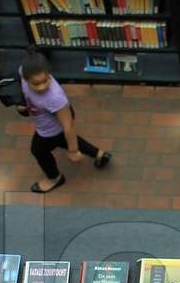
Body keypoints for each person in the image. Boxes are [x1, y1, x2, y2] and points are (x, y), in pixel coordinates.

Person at [16, 49, 110, 193]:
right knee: (63, 139)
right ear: (26, 78)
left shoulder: (55, 97)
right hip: (54, 119)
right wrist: (21, 104)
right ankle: (100, 154)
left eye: (46, 80)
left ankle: (55, 178)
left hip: (51, 128)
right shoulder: (22, 71)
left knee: (39, 151)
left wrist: (73, 151)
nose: (42, 87)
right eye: (36, 84)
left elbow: (68, 126)